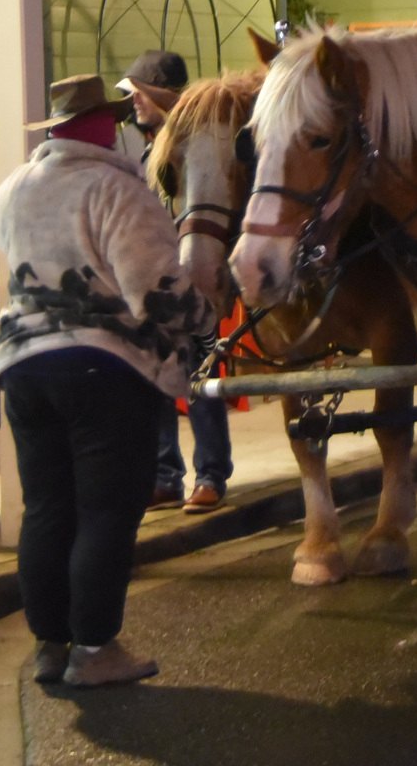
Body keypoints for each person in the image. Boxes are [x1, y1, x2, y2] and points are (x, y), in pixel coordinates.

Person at [0, 74, 221, 689]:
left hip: (22, 366)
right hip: (104, 366)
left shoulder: (9, 191)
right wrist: (205, 317)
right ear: (103, 127)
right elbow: (155, 290)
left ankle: (50, 643)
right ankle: (94, 648)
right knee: (106, 511)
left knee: (48, 507)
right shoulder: (117, 190)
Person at [117, 49, 234, 513]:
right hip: (157, 276)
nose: (134, 103)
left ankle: (210, 473)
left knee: (200, 374)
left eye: (140, 94)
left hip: (189, 273)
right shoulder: (147, 148)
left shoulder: (190, 146)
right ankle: (165, 473)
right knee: (156, 378)